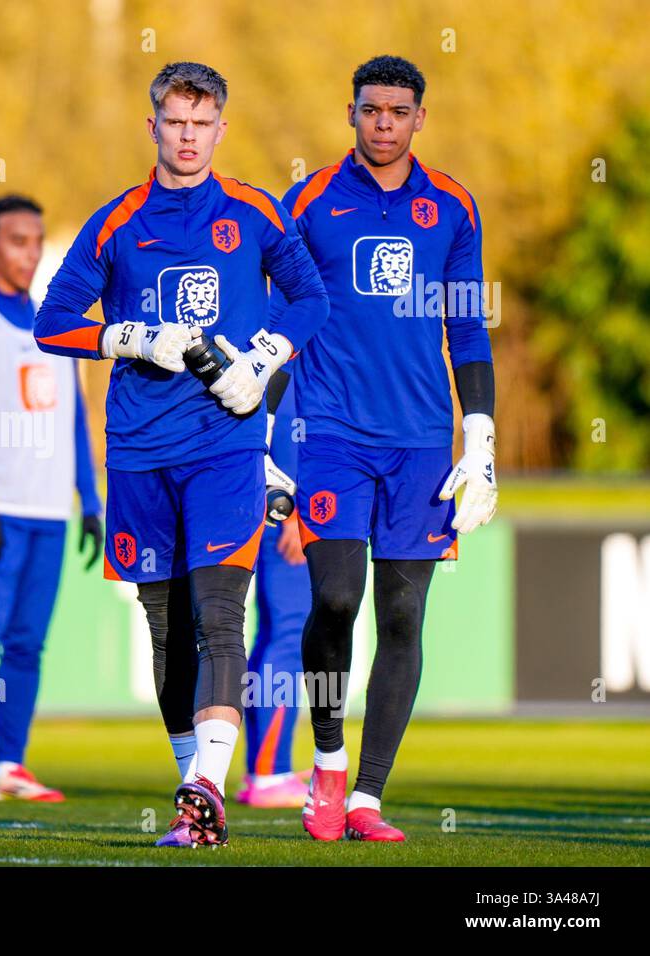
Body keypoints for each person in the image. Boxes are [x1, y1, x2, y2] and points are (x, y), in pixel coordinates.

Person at [34, 63, 329, 846]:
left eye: (202, 124)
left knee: (220, 617)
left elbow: (313, 298)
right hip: (136, 451)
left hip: (226, 449)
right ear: (153, 127)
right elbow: (51, 320)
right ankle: (191, 786)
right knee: (163, 627)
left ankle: (207, 783)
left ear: (221, 130)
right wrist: (130, 337)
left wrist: (260, 361)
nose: (189, 137)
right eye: (175, 122)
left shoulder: (256, 211)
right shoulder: (116, 222)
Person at [276, 56, 497, 842]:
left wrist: (480, 432)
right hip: (332, 436)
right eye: (371, 110)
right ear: (351, 113)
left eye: (399, 111)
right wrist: (269, 442)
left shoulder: (455, 208)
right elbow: (281, 328)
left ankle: (366, 796)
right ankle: (327, 762)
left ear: (419, 119)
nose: (384, 123)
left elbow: (467, 326)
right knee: (336, 599)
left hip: (420, 446)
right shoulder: (306, 202)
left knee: (404, 614)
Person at [0, 194, 103, 802]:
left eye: (36, 240)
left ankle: (11, 763)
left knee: (28, 642)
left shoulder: (61, 324)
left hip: (49, 510)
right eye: (16, 240)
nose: (29, 252)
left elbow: (76, 418)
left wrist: (90, 498)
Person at [237, 376, 313, 808]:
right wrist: (292, 509)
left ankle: (263, 769)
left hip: (280, 509)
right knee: (287, 637)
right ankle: (268, 772)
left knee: (275, 636)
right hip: (287, 517)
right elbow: (284, 427)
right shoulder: (290, 354)